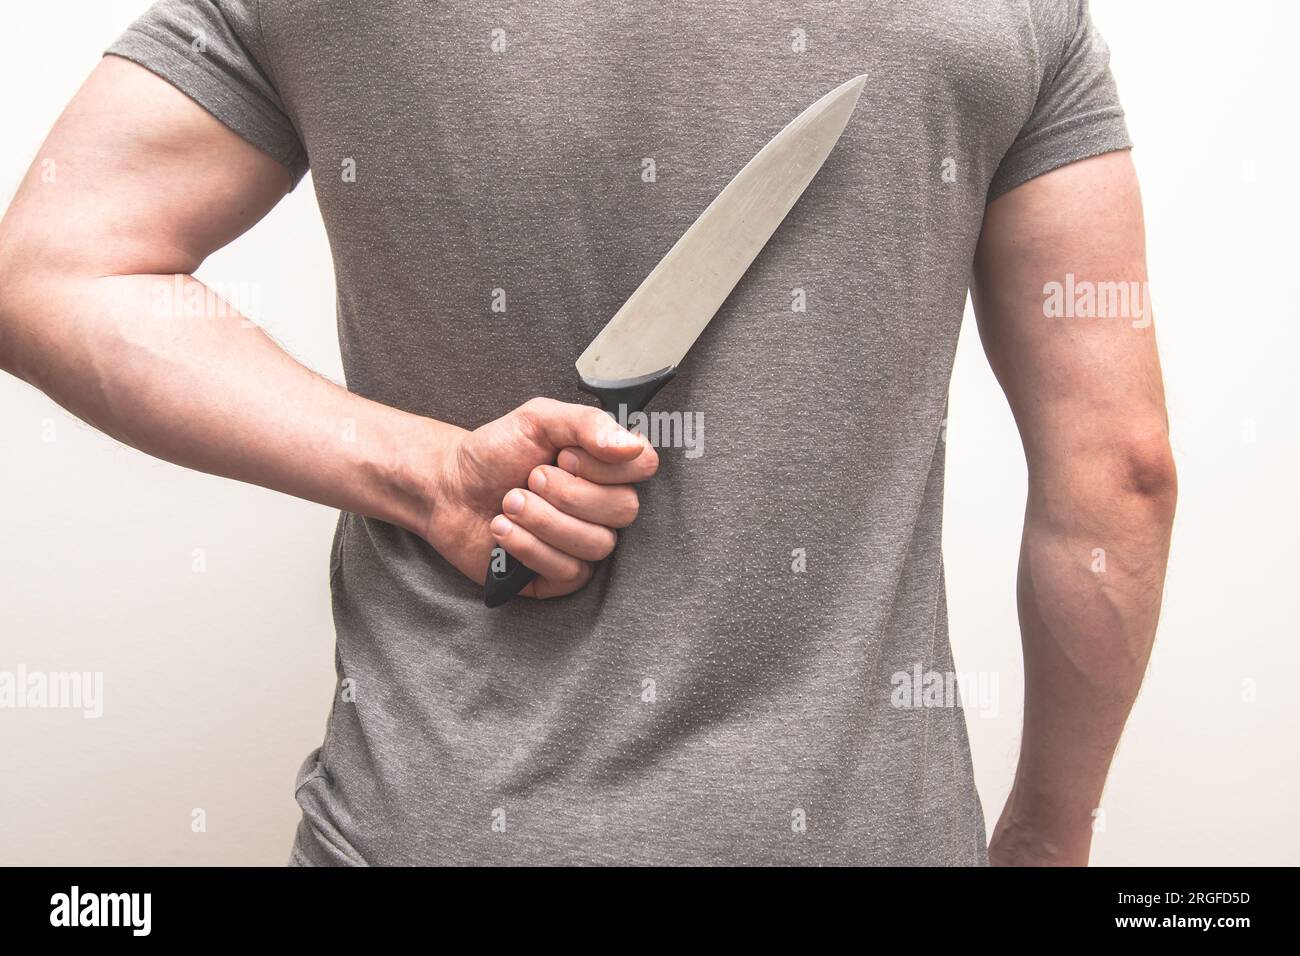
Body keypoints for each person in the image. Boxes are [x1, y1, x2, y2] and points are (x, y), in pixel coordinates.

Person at [0, 0, 1176, 866]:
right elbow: (1120, 478)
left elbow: (47, 275)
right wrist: (1044, 838)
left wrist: (427, 476)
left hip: (435, 829)